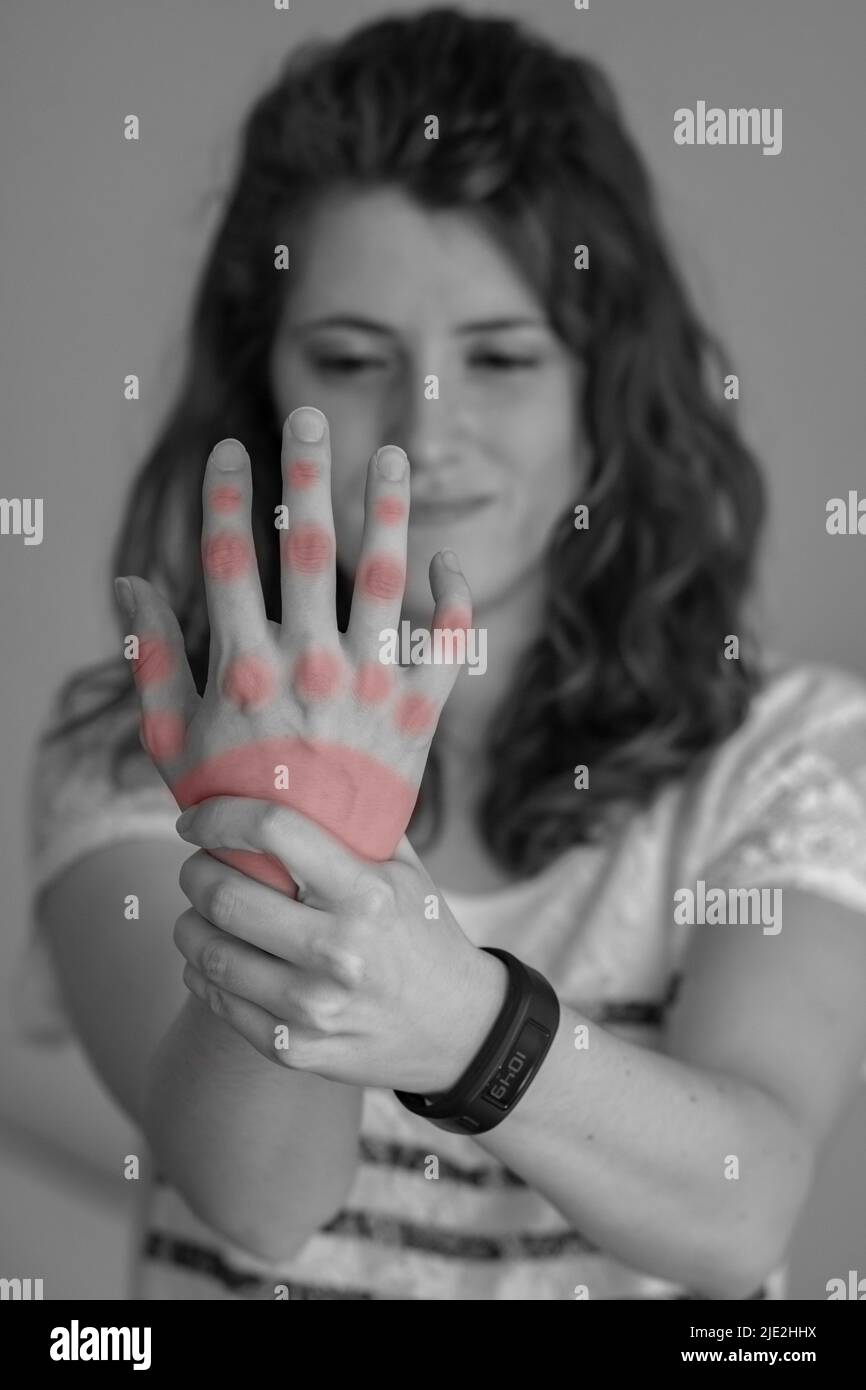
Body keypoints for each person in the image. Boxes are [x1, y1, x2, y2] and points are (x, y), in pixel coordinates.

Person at [19, 7, 866, 1301]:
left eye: (502, 356)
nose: (422, 431)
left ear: (605, 386)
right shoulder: (147, 738)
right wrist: (291, 840)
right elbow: (260, 1204)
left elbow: (737, 1209)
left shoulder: (790, 756)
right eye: (351, 358)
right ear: (263, 386)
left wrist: (458, 1019)